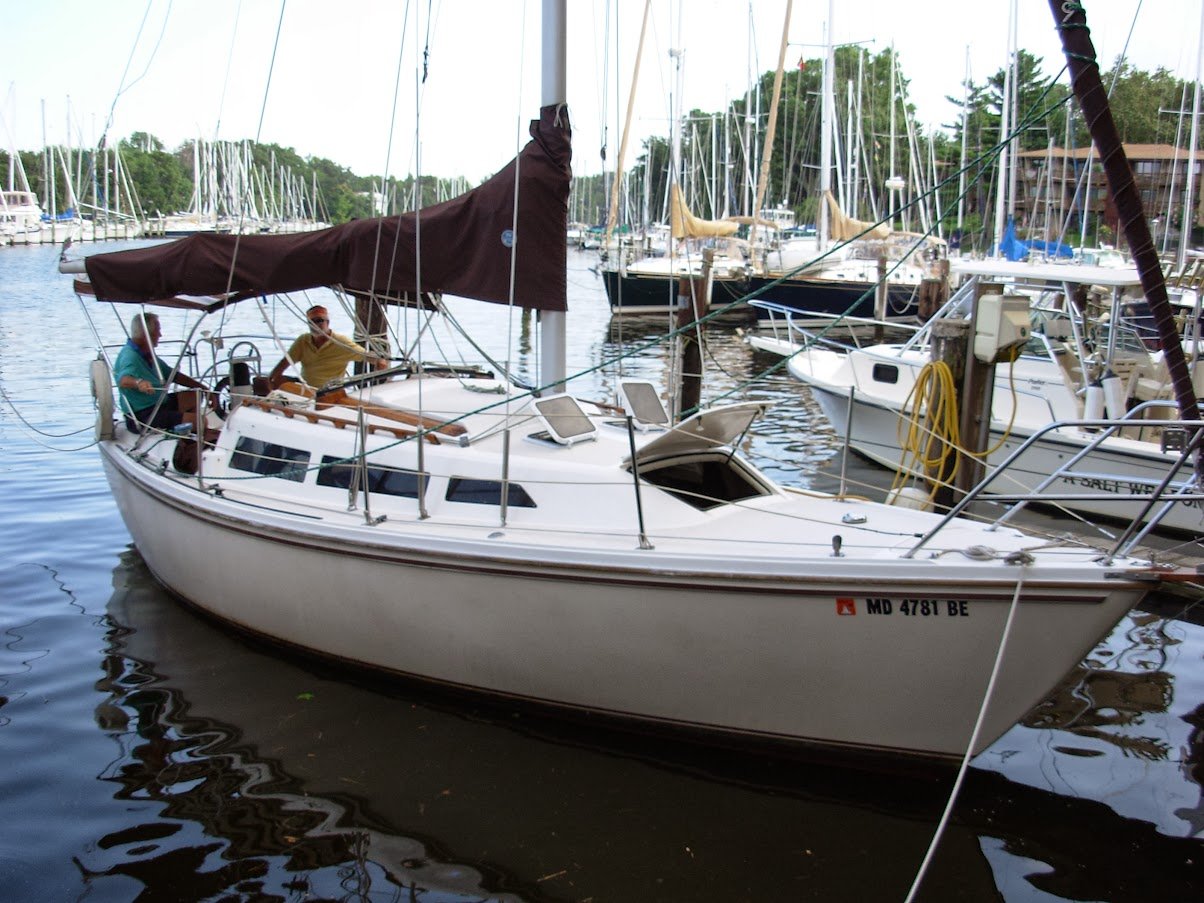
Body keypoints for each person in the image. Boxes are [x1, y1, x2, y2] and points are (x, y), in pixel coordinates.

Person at [114, 312, 216, 434]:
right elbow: (123, 380)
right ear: (147, 334)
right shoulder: (130, 356)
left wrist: (203, 388)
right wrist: (139, 382)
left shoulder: (146, 353)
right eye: (158, 331)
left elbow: (173, 375)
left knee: (195, 395)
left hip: (160, 403)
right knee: (200, 421)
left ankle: (184, 429)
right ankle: (185, 430)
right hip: (144, 415)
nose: (160, 335)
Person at [267, 305, 385, 391]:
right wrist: (270, 380)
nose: (315, 325)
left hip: (330, 391)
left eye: (319, 321)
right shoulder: (303, 340)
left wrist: (380, 360)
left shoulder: (341, 342)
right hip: (306, 388)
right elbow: (284, 363)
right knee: (276, 381)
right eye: (311, 321)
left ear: (327, 322)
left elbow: (368, 356)